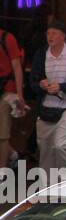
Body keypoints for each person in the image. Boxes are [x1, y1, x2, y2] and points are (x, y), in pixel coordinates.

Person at [30, 21, 66, 174]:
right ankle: (48, 188)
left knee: (62, 145)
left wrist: (62, 86)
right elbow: (33, 81)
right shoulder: (41, 54)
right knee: (45, 149)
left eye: (54, 33)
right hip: (46, 108)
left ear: (63, 36)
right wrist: (41, 84)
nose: (50, 36)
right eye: (48, 33)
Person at [0, 26, 28, 171]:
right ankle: (13, 156)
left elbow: (16, 67)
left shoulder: (7, 38)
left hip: (6, 91)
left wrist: (19, 94)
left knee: (2, 133)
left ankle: (2, 170)